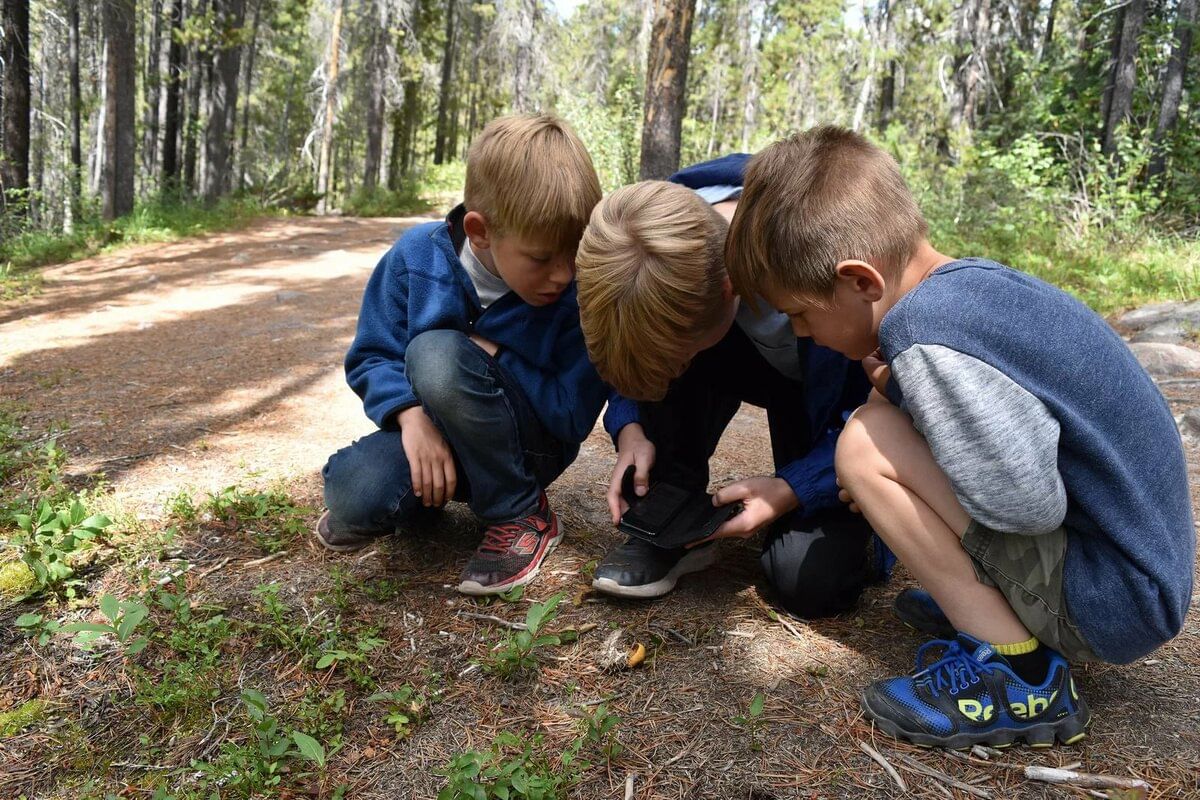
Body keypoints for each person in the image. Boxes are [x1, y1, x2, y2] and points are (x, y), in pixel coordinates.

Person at [725, 125, 1195, 748]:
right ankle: (1000, 610)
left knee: (865, 448)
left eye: (802, 314)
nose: (803, 334)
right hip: (1135, 569)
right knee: (884, 433)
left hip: (1113, 598)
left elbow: (1026, 503)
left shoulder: (924, 337)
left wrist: (907, 424)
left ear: (862, 282)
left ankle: (1020, 675)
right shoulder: (966, 286)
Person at [574, 156, 892, 616]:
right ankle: (673, 512)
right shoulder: (636, 238)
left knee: (810, 581)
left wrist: (794, 486)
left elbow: (878, 409)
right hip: (725, 341)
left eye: (678, 361)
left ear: (729, 290)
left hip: (827, 404)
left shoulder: (827, 264)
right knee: (671, 359)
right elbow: (630, 344)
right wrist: (631, 428)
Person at [315, 113, 608, 596]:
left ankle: (521, 513)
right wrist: (411, 418)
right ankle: (431, 494)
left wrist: (496, 353)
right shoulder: (417, 258)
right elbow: (372, 356)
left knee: (434, 352)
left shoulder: (580, 293)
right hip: (435, 433)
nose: (561, 274)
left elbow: (572, 414)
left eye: (574, 252)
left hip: (528, 449)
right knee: (353, 494)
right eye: (541, 258)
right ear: (480, 230)